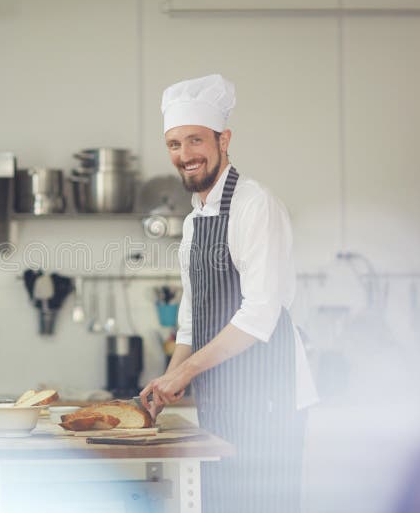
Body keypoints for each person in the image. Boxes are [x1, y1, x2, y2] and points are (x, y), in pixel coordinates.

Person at [140, 74, 318, 513]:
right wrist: (165, 385)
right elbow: (190, 319)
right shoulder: (194, 221)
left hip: (268, 394)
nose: (185, 155)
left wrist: (186, 373)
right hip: (221, 396)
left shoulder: (255, 205)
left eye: (195, 140)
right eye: (174, 144)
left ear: (224, 140)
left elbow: (260, 314)